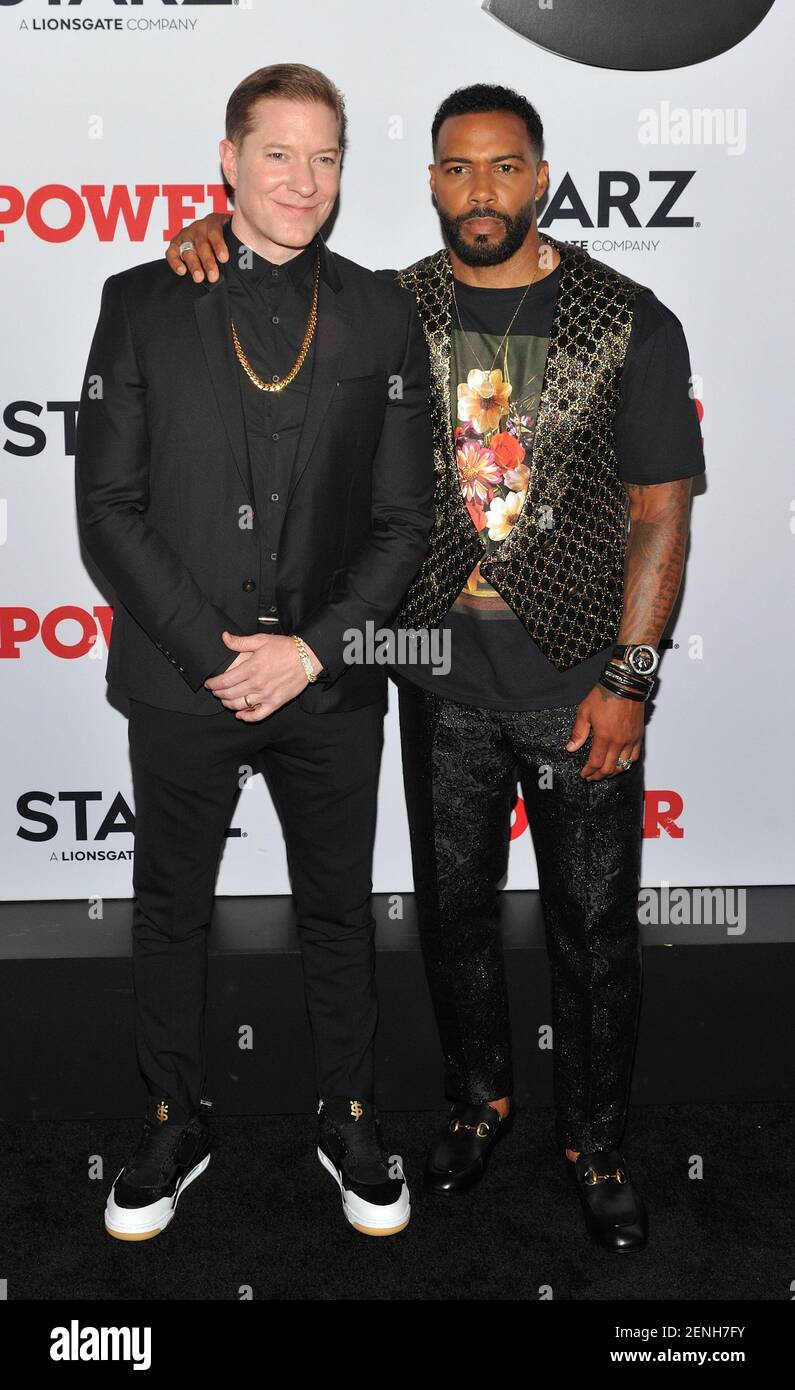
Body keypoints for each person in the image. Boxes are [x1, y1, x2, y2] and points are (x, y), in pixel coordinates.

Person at [164, 83, 705, 1253]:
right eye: (457, 170)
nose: (480, 193)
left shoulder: (629, 319)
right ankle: (479, 1104)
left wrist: (634, 675)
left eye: (505, 168)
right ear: (427, 182)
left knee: (595, 926)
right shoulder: (387, 305)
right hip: (431, 673)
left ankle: (599, 1139)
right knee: (454, 915)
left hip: (576, 679)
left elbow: (660, 516)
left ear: (542, 175)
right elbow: (268, 287)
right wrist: (205, 240)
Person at [75, 63, 434, 1241]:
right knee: (170, 907)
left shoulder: (383, 314)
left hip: (327, 691)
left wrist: (311, 654)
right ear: (227, 160)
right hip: (184, 683)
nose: (304, 179)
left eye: (325, 155)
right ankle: (176, 1117)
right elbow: (107, 509)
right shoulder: (139, 298)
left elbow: (402, 523)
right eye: (277, 152)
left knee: (339, 909)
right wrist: (218, 653)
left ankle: (348, 1114)